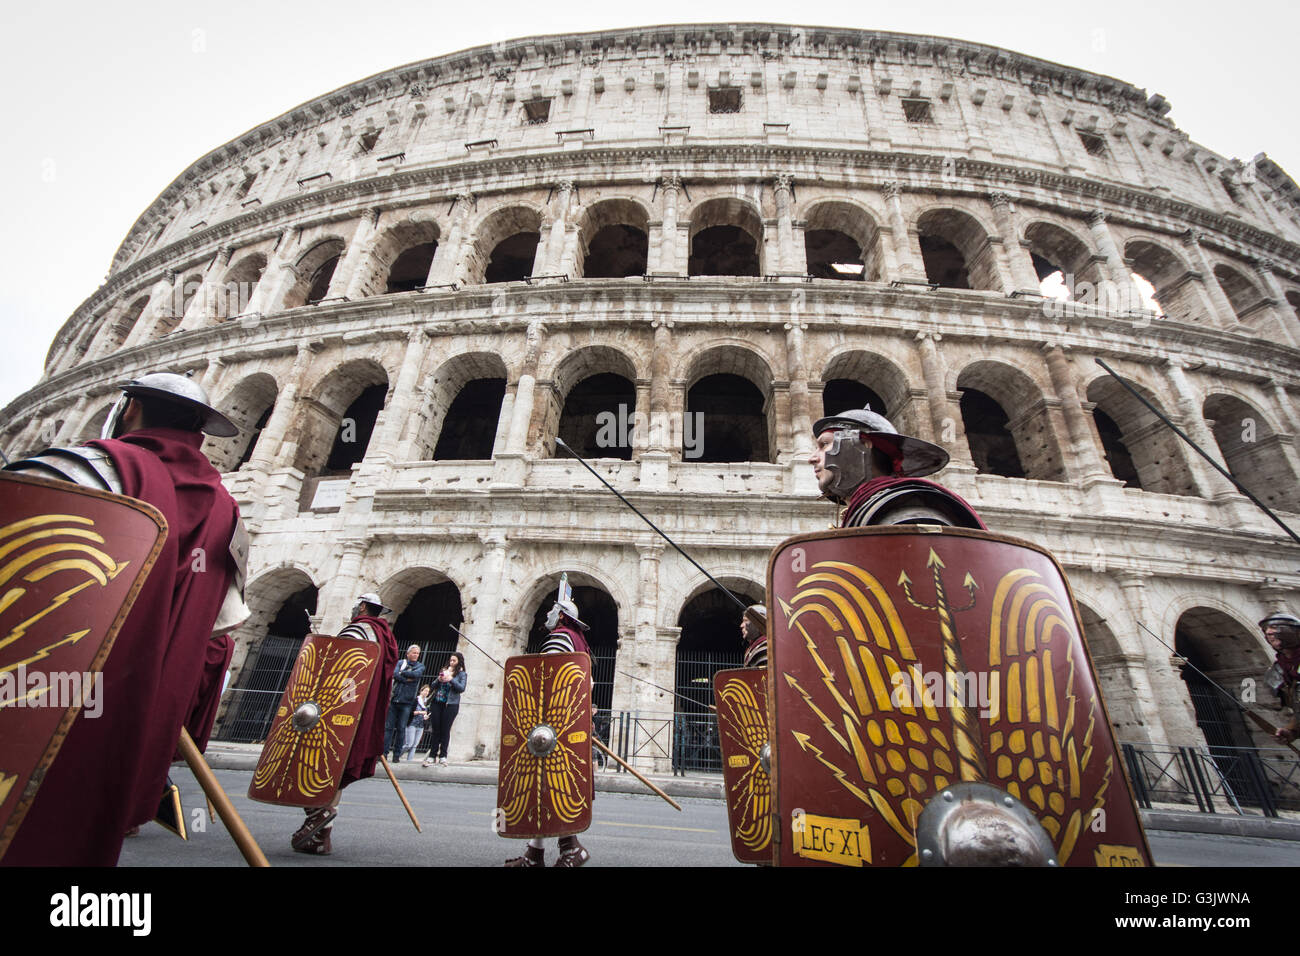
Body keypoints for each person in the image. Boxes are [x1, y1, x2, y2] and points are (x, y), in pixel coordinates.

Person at [2, 371, 248, 866]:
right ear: (199, 431)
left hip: (45, 678)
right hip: (137, 708)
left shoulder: (92, 469)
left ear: (130, 407)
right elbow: (223, 623)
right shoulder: (229, 515)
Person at [292, 593, 398, 855]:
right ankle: (319, 836)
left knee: (312, 760)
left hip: (339, 706)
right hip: (366, 709)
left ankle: (319, 814)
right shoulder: (386, 637)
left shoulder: (356, 630)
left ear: (362, 607)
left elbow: (339, 667)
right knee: (337, 769)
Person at [505, 581, 592, 867]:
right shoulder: (579, 643)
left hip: (550, 726)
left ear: (562, 615)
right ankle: (536, 853)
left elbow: (545, 681)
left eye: (551, 611)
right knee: (546, 788)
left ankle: (571, 849)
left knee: (548, 787)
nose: (546, 617)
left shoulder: (559, 638)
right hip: (568, 724)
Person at [808, 406, 985, 529]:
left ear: (863, 444)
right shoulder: (867, 508)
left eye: (824, 445)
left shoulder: (907, 505)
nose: (812, 458)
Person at [422, 653, 467, 767]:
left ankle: (443, 756)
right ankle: (432, 755)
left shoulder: (462, 674)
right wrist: (439, 679)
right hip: (437, 702)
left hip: (450, 704)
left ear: (459, 662)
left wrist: (451, 679)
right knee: (436, 729)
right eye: (451, 660)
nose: (451, 662)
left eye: (454, 661)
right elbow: (432, 686)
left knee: (445, 730)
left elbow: (461, 688)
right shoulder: (444, 670)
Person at [1261, 613, 1300, 744]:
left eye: (1274, 627)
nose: (1268, 632)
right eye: (1266, 629)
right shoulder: (1279, 671)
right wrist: (1291, 731)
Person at [386, 644, 425, 761]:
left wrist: (402, 674)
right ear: (408, 654)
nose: (416, 655)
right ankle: (383, 753)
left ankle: (396, 755)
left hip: (407, 702)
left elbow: (416, 675)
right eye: (413, 653)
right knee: (388, 728)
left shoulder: (420, 666)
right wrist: (406, 679)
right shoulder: (400, 662)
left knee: (401, 728)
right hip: (395, 699)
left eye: (417, 653)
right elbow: (394, 674)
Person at [405, 685, 432, 761]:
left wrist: (426, 717)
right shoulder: (416, 700)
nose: (426, 693)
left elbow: (426, 713)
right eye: (425, 690)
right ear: (421, 691)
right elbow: (410, 712)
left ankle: (409, 761)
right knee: (409, 744)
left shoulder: (426, 702)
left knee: (414, 745)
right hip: (412, 723)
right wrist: (420, 712)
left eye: (428, 691)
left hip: (420, 725)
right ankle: (398, 754)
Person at [741, 604, 767, 668]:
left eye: (745, 621)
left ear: (757, 623)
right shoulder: (753, 647)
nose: (741, 625)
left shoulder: (766, 646)